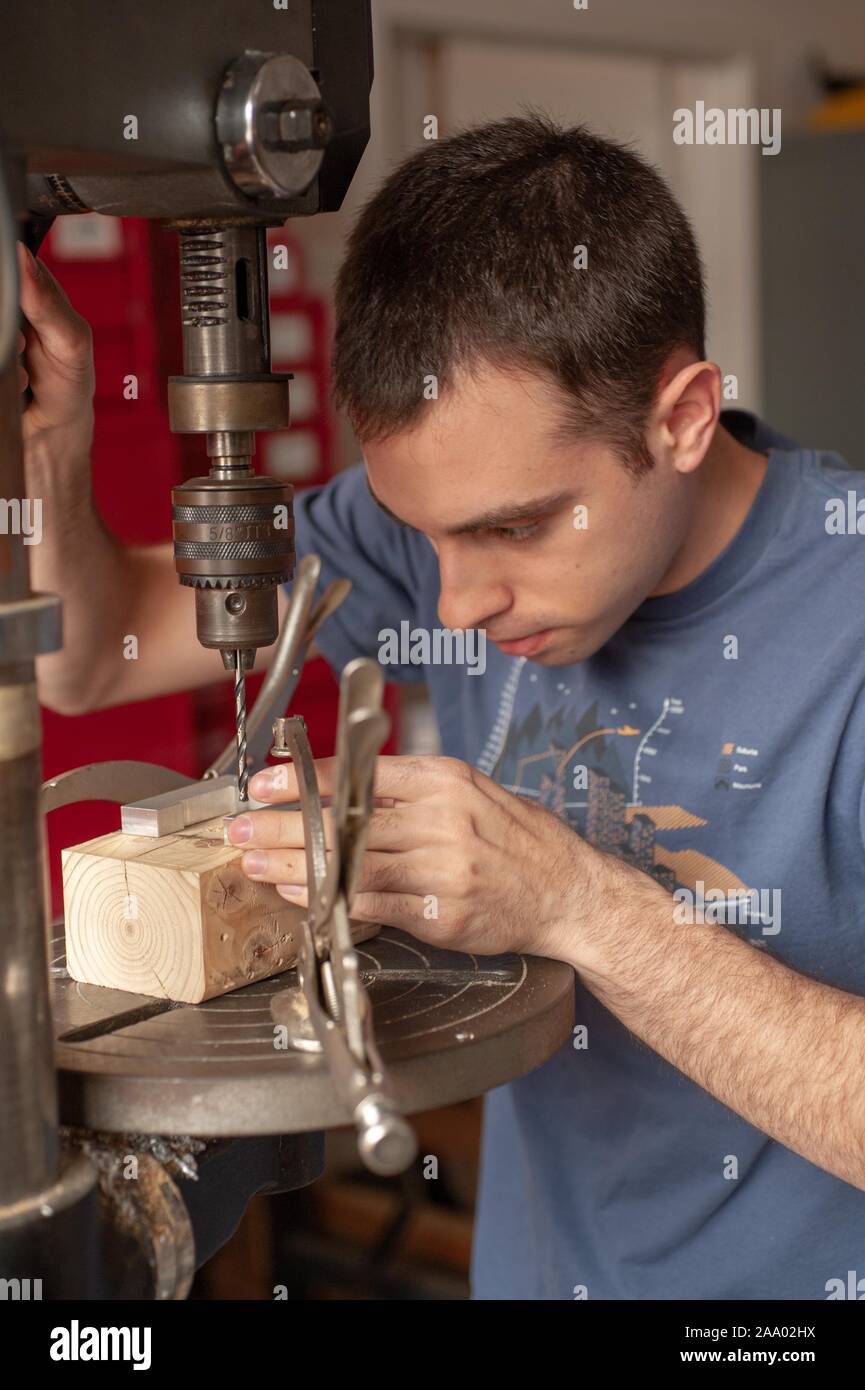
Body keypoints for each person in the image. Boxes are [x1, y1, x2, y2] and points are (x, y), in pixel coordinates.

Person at [22, 114, 865, 1301]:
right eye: (420, 533)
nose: (454, 601)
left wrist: (573, 900)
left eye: (509, 528)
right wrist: (52, 448)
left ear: (680, 416)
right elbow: (95, 658)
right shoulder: (442, 523)